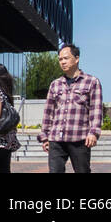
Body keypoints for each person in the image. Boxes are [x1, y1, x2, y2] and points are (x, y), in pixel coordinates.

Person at [39, 43, 102, 174]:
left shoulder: (91, 82)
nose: (62, 62)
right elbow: (48, 112)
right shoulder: (55, 84)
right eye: (60, 59)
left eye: (66, 58)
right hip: (56, 139)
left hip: (79, 138)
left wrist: (93, 132)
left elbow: (96, 110)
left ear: (77, 58)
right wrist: (45, 137)